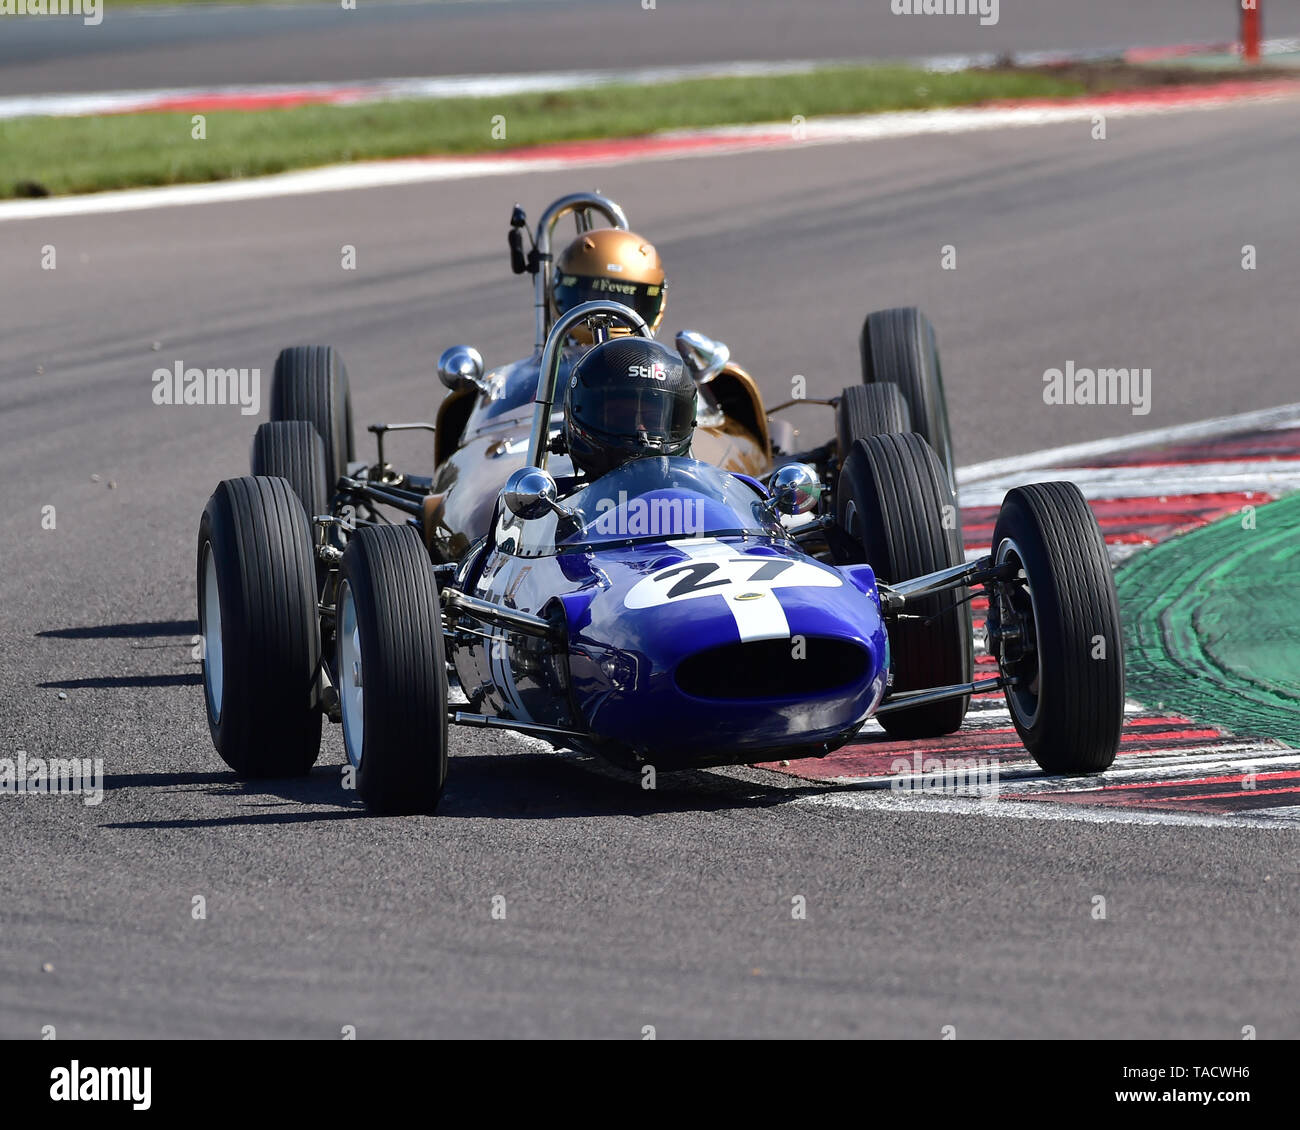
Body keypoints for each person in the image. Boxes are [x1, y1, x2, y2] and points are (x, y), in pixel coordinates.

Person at [563, 337, 696, 481]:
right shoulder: (547, 495)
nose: (641, 430)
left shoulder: (699, 496)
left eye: (653, 419)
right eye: (622, 417)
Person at [551, 228, 667, 344]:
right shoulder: (547, 360)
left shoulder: (660, 362)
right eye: (594, 298)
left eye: (624, 302)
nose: (605, 319)